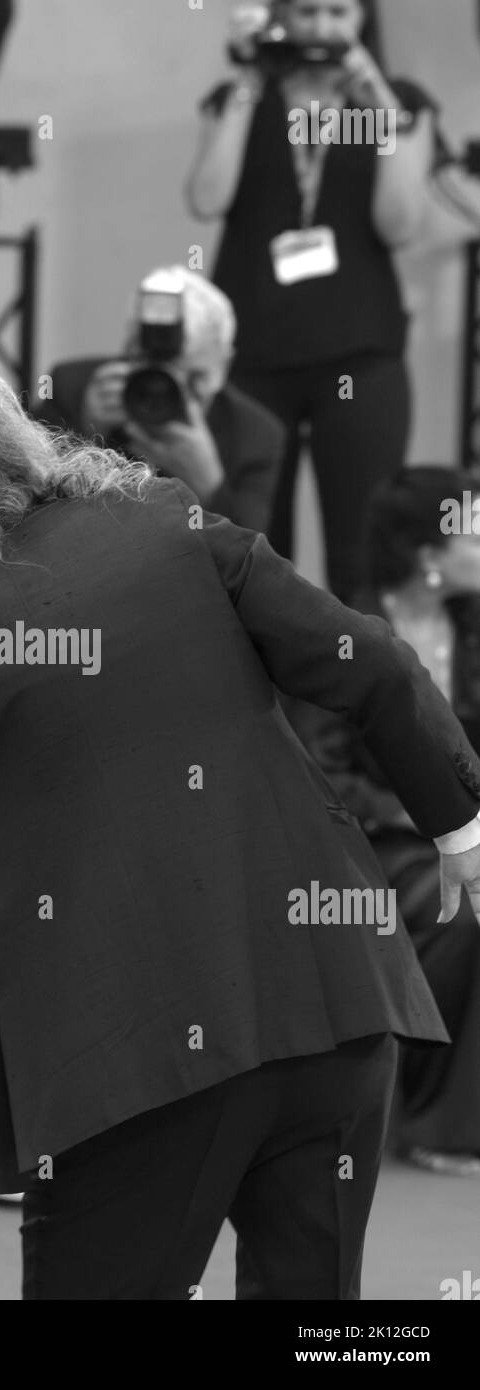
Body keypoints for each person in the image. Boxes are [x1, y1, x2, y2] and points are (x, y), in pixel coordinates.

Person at [0, 344, 480, 1301]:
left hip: (133, 1061)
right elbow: (369, 659)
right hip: (331, 1006)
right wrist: (459, 830)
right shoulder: (165, 520)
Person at [185, 0, 437, 600]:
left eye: (338, 12)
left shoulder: (391, 103)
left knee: (363, 554)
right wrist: (249, 79)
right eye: (305, 12)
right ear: (280, 20)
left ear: (362, 20)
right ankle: (265, 695)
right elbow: (206, 197)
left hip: (359, 350)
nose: (322, 29)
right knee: (256, 548)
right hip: (254, 348)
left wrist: (378, 104)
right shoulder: (242, 98)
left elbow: (400, 225)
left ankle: (365, 689)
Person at [289, 467, 480, 1176]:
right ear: (429, 555)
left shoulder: (472, 631)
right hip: (369, 845)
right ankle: (439, 1125)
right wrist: (429, 817)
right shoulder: (347, 633)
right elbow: (322, 772)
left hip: (463, 837)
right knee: (467, 914)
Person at [33, 267, 283, 534]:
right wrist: (85, 434)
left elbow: (251, 564)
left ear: (224, 365)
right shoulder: (72, 388)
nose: (172, 391)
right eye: (157, 373)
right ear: (127, 350)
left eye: (195, 379)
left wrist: (209, 486)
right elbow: (24, 513)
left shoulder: (255, 433)